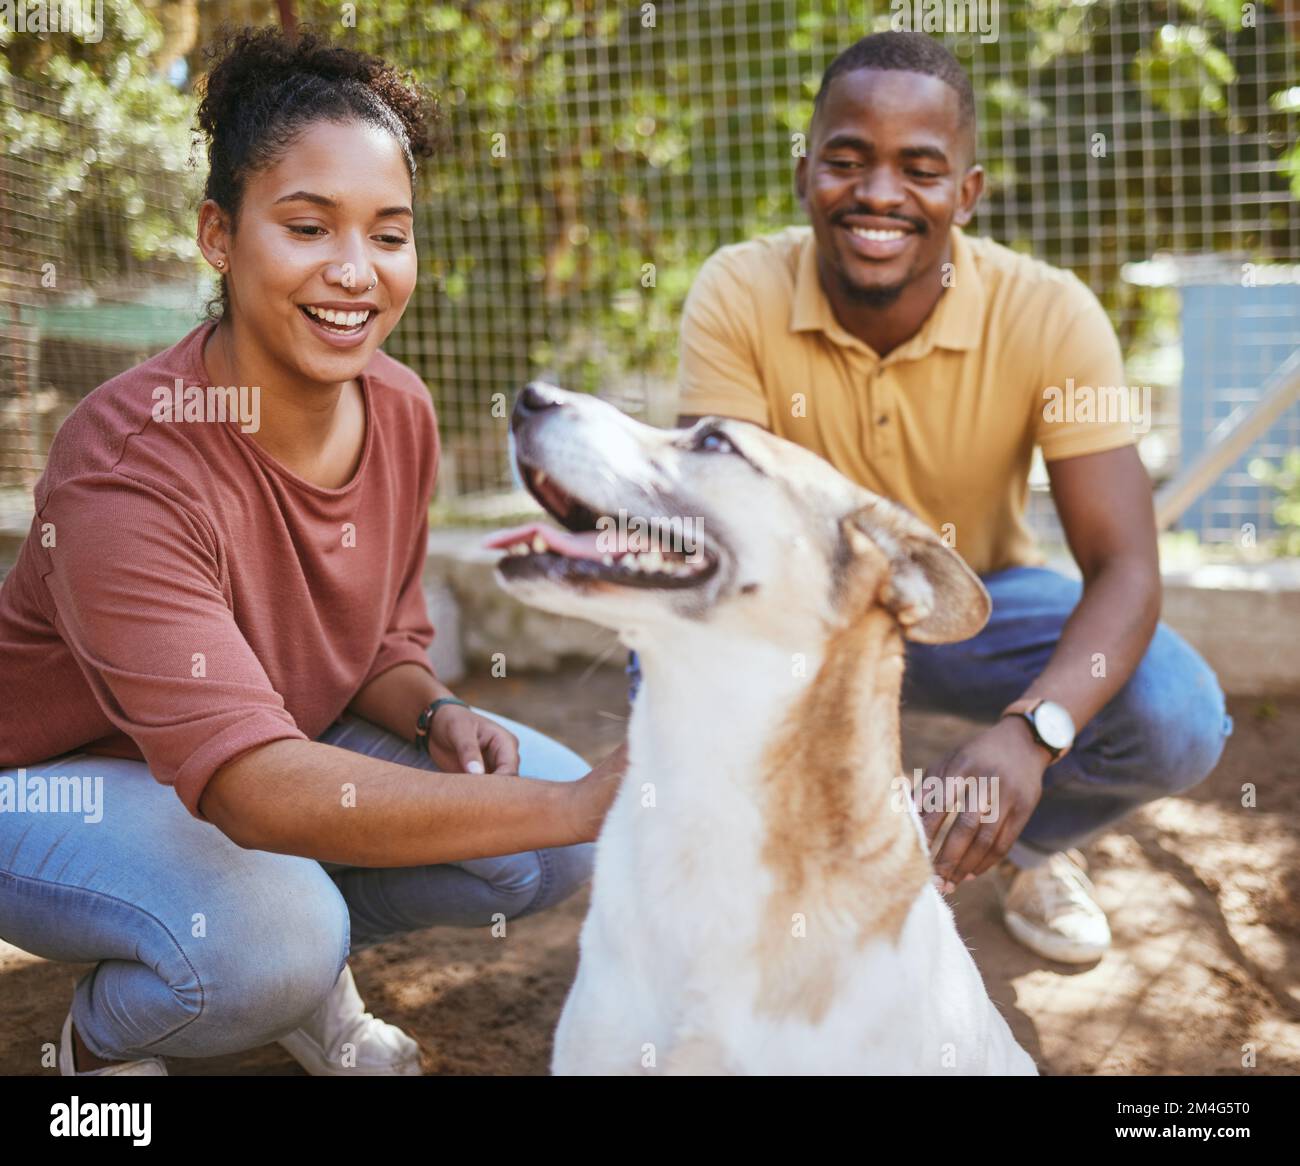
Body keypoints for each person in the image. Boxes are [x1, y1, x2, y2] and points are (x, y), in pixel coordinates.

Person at [0, 26, 623, 1077]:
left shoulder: (402, 407)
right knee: (273, 937)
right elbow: (246, 787)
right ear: (218, 233)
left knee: (547, 840)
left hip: (249, 767)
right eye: (306, 225)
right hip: (53, 784)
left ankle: (295, 956)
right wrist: (574, 796)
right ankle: (99, 1043)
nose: (355, 271)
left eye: (390, 233)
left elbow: (374, 636)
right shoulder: (127, 462)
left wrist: (436, 709)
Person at [631, 30, 1232, 965]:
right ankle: (762, 896)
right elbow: (725, 532)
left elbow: (1127, 567)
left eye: (920, 168)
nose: (878, 194)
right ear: (805, 174)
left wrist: (1033, 737)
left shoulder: (1053, 312)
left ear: (967, 191)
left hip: (976, 601)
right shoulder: (738, 289)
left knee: (1179, 715)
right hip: (803, 609)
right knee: (666, 665)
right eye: (848, 160)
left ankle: (1024, 850)